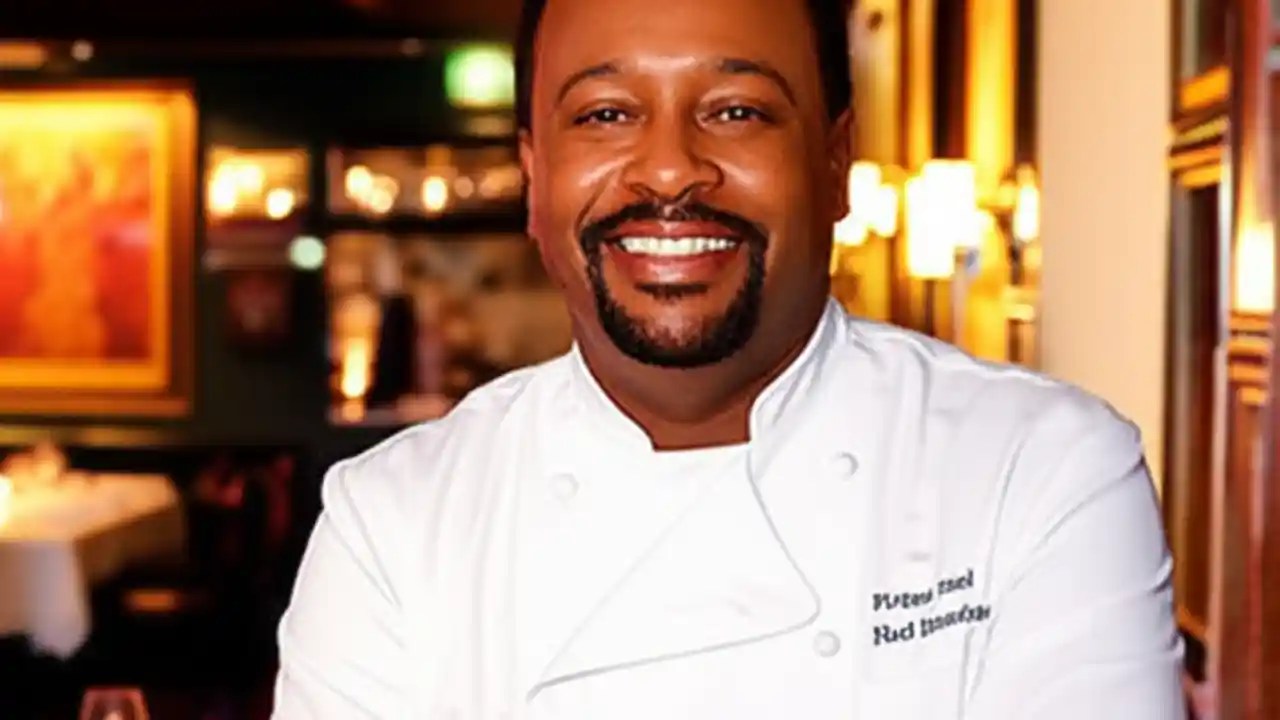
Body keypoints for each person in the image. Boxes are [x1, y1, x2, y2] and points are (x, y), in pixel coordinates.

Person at [272, 0, 1186, 716]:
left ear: (835, 165)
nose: (668, 170)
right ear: (534, 177)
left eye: (738, 110)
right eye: (605, 113)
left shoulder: (1041, 470)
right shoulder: (391, 524)